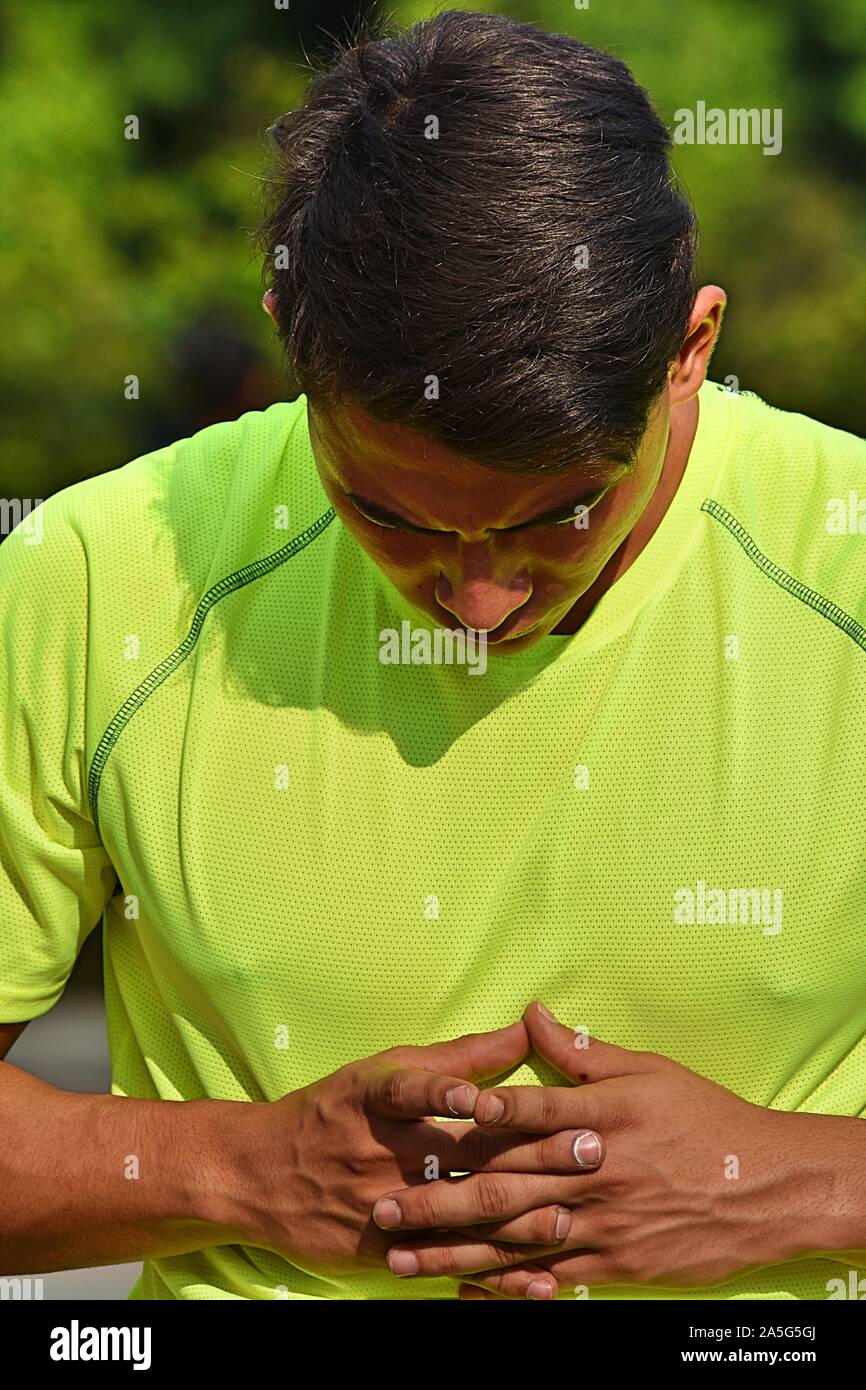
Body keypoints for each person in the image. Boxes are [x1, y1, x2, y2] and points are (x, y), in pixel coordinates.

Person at [1, 10, 865, 1303]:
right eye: (390, 513)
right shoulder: (95, 574)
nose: (474, 597)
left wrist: (795, 1181)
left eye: (557, 514)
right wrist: (243, 1171)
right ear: (285, 331)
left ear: (689, 352)